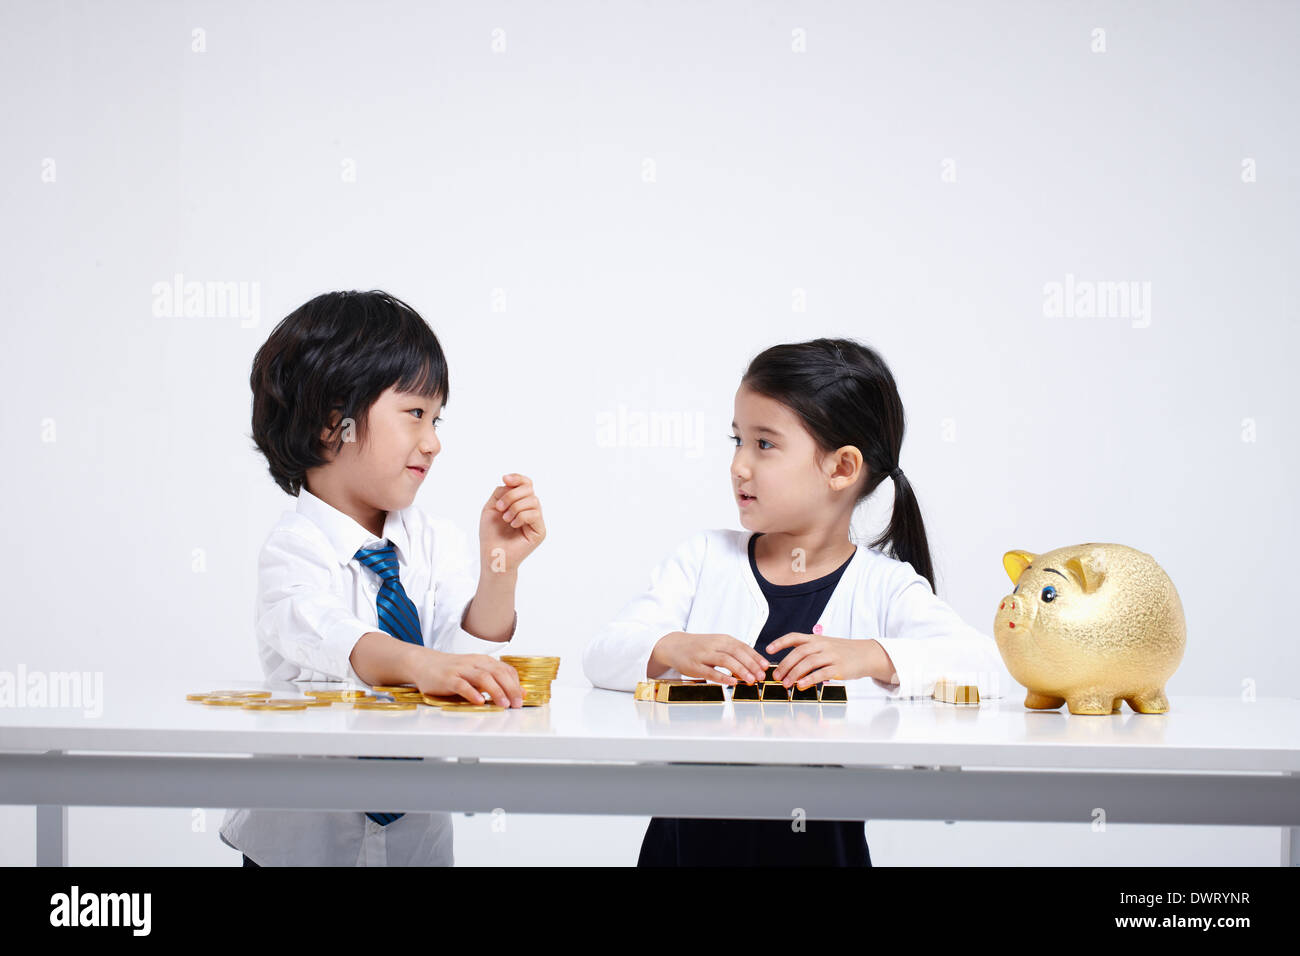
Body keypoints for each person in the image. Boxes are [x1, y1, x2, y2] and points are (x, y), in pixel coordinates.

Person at [582, 337, 1003, 866]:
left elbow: (988, 669)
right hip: (684, 848)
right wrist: (671, 647)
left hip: (822, 853)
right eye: (737, 439)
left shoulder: (886, 587)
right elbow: (601, 654)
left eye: (764, 444)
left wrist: (873, 656)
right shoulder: (703, 560)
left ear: (842, 468)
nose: (738, 465)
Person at [220, 289, 546, 866]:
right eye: (415, 413)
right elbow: (326, 633)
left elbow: (464, 661)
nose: (434, 440)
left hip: (415, 845)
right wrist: (423, 664)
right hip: (300, 848)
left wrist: (500, 567)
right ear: (333, 424)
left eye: (437, 418)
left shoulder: (430, 541)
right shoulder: (294, 548)